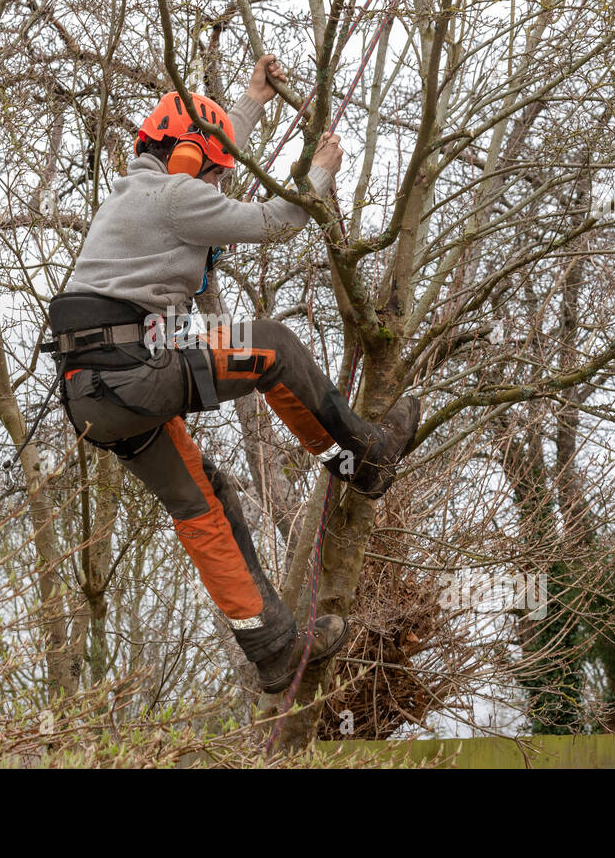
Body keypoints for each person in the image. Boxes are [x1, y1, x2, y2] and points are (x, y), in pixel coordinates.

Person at [47, 55, 420, 692]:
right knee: (270, 345)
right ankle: (364, 457)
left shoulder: (137, 188)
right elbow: (280, 222)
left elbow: (211, 151)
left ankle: (272, 646)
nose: (220, 180)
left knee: (202, 502)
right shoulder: (174, 196)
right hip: (137, 362)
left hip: (90, 395)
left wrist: (251, 100)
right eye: (214, 167)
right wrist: (319, 175)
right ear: (188, 158)